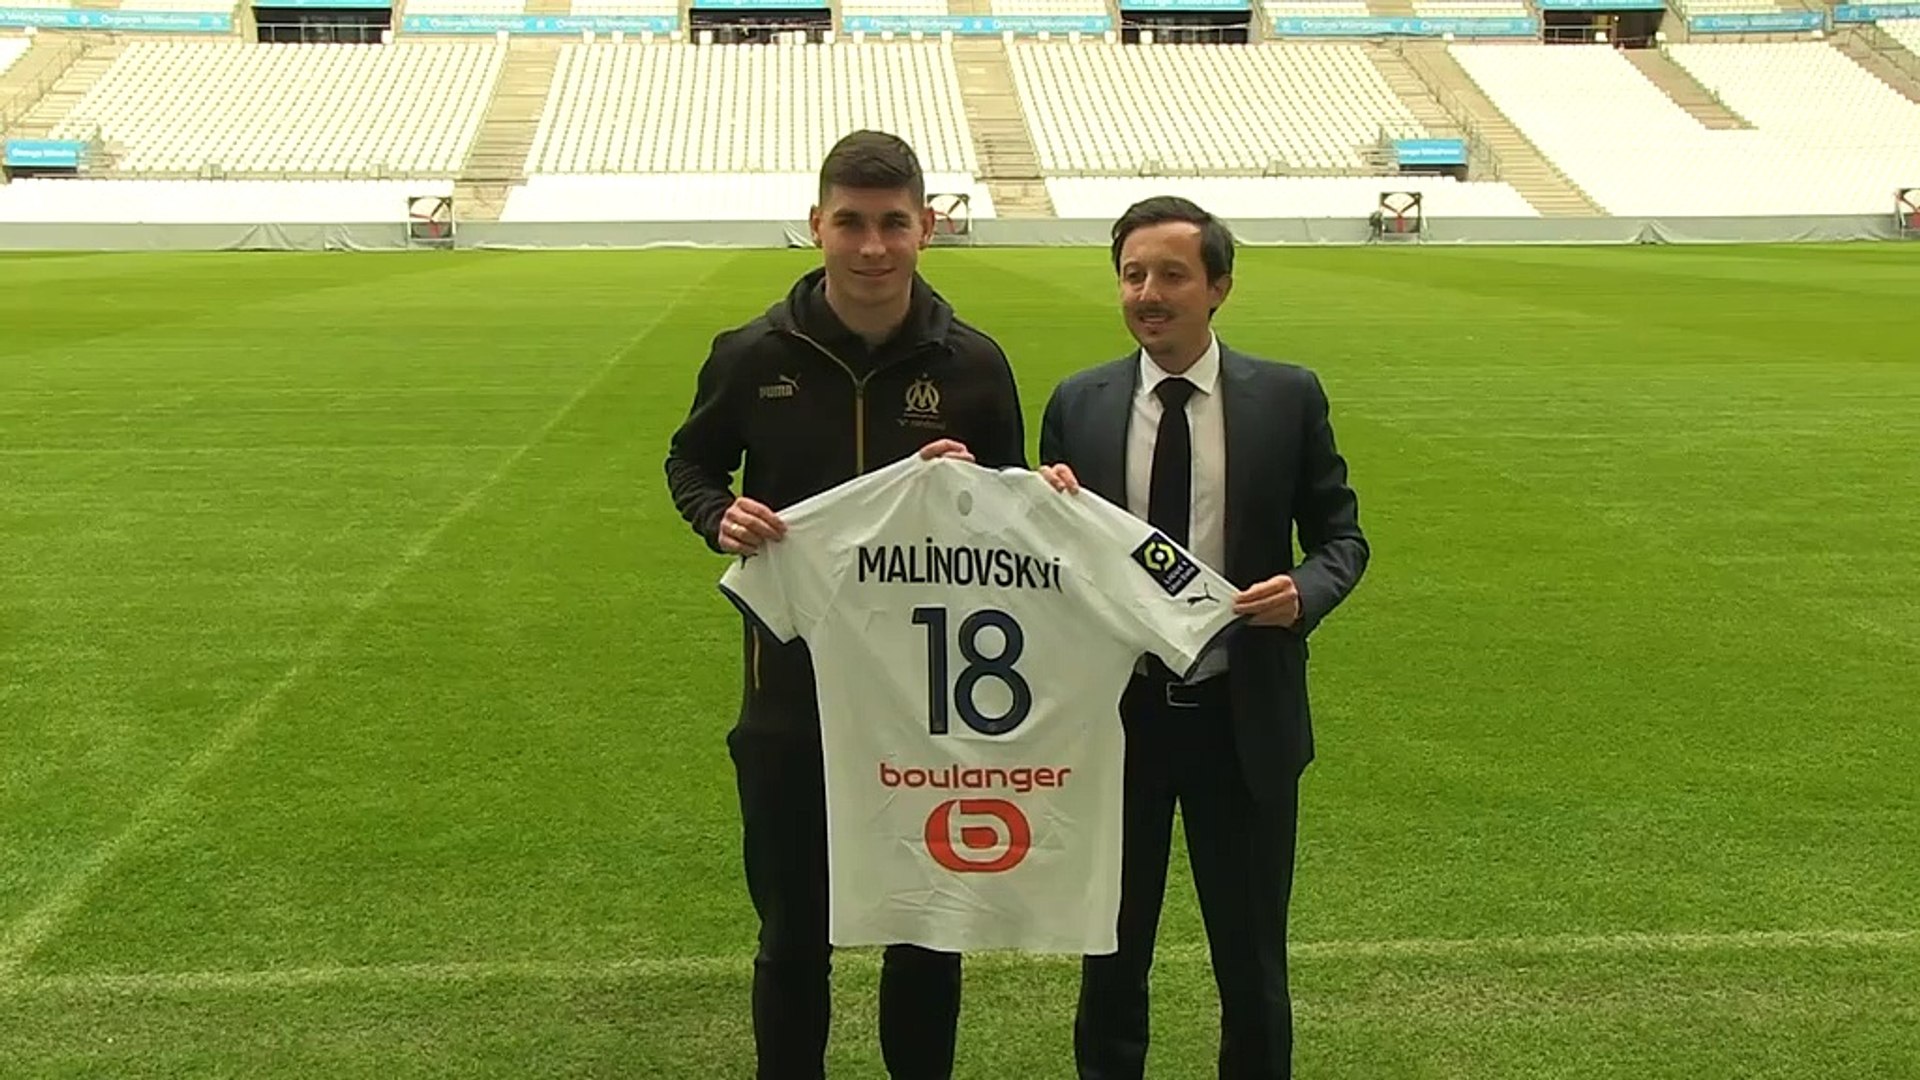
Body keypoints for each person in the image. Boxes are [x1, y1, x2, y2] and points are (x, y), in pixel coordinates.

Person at [664, 130, 1028, 1080]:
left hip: (927, 705)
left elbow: (1012, 521)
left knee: (927, 936)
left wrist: (974, 488)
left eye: (893, 224)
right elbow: (691, 461)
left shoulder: (974, 365)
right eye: (852, 223)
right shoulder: (752, 354)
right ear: (816, 224)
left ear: (927, 228)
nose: (873, 247)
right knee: (793, 937)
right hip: (790, 695)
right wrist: (716, 515)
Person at [1036, 196, 1369, 1080]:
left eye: (1172, 275)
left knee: (1252, 960)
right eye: (1133, 275)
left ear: (1219, 286)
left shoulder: (1286, 398)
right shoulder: (1079, 403)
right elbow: (1052, 563)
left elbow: (1342, 538)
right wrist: (1038, 510)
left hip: (1242, 716)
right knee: (1110, 953)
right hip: (1118, 724)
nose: (1149, 293)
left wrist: (1304, 591)